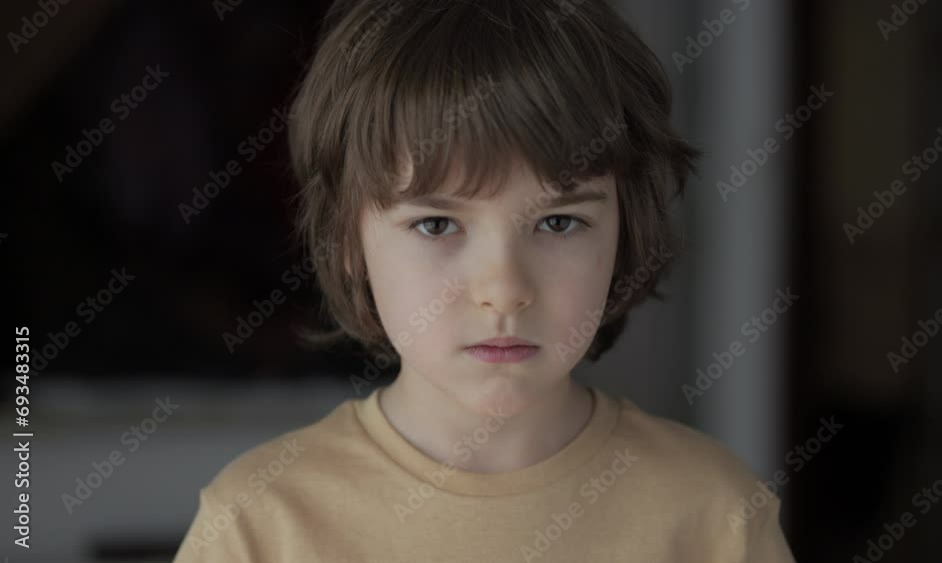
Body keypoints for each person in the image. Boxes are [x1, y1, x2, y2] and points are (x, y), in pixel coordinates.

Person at [172, 0, 797, 561]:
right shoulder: (256, 526)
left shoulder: (715, 516)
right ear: (346, 245)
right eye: (438, 224)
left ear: (626, 233)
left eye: (558, 221)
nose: (503, 289)